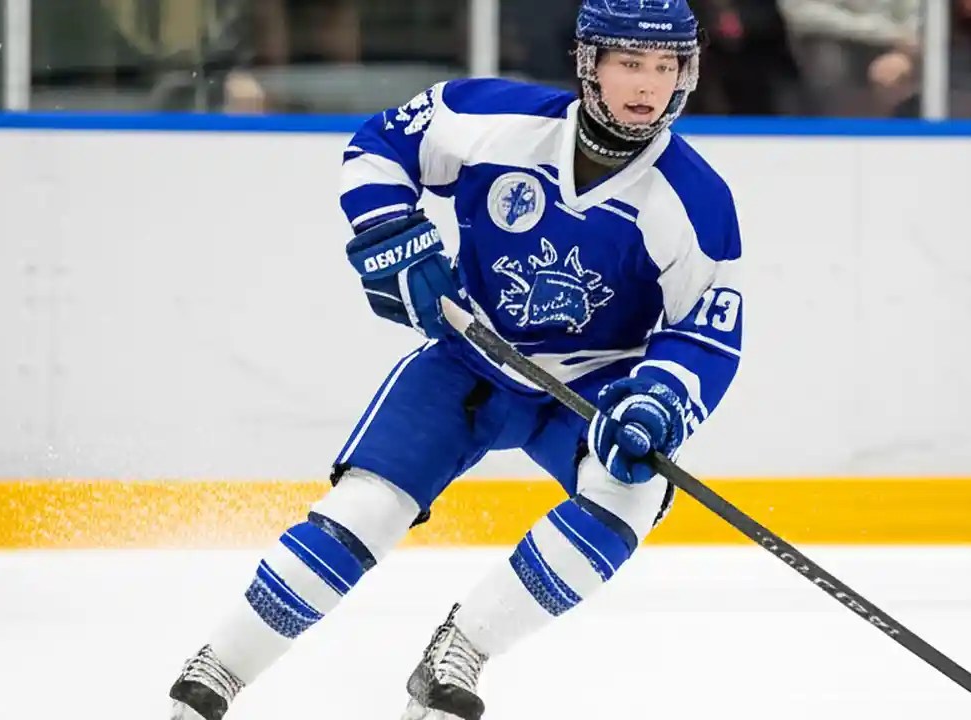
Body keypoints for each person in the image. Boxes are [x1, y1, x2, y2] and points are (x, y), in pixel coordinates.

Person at [166, 1, 744, 718]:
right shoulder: (492, 119)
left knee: (629, 497)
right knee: (364, 510)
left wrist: (655, 400)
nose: (647, 87)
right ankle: (219, 668)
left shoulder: (696, 200)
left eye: (666, 67)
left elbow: (704, 332)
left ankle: (460, 652)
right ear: (588, 62)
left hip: (589, 387)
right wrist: (392, 234)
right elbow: (378, 147)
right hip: (468, 357)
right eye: (630, 62)